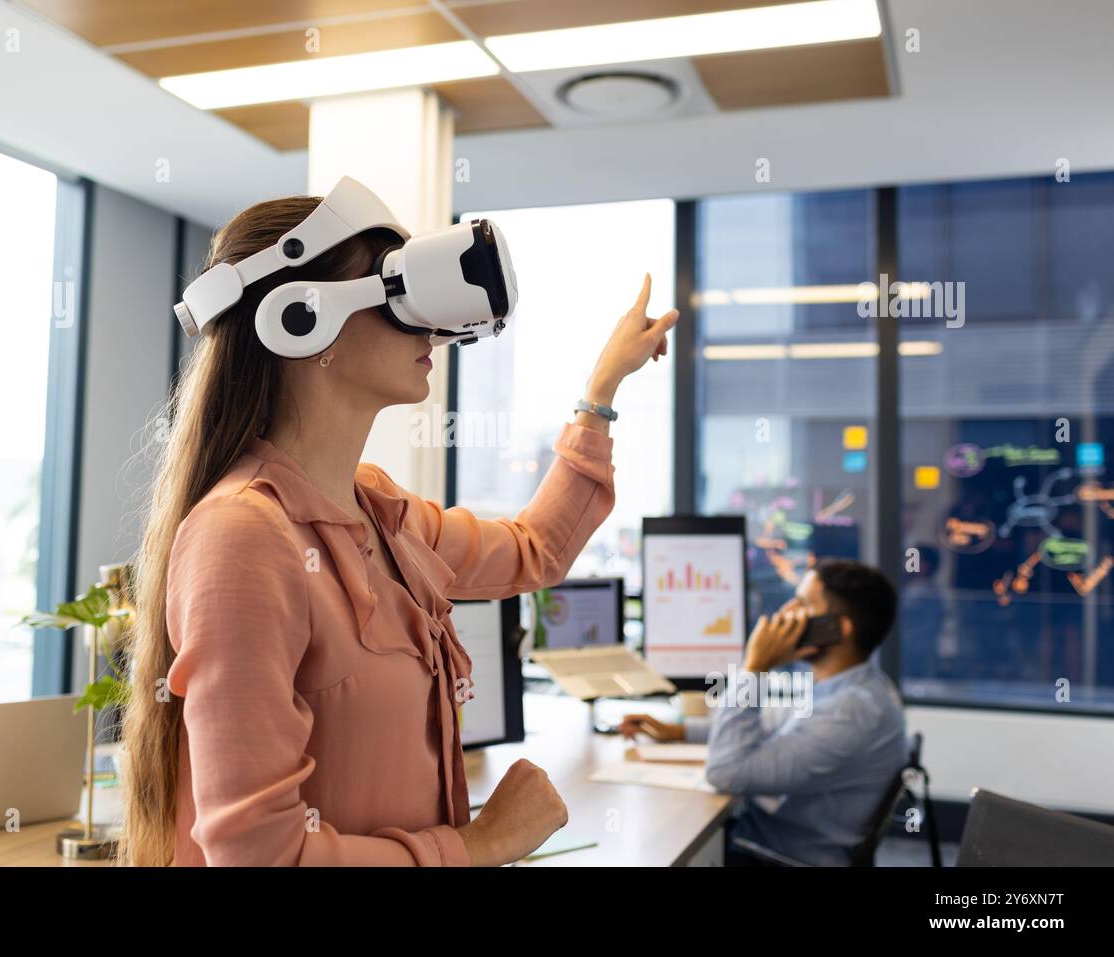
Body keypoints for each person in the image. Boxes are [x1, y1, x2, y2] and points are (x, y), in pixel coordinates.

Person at [120, 191, 678, 866]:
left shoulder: (380, 514)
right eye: (397, 292)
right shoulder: (243, 537)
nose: (432, 330)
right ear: (301, 319)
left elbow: (537, 550)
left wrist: (601, 391)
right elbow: (257, 857)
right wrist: (481, 843)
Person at [620, 559, 907, 866]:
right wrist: (678, 731)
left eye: (803, 603)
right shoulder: (850, 686)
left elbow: (726, 772)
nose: (785, 613)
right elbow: (773, 722)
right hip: (768, 837)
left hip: (774, 857)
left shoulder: (851, 713)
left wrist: (755, 667)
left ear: (840, 628)